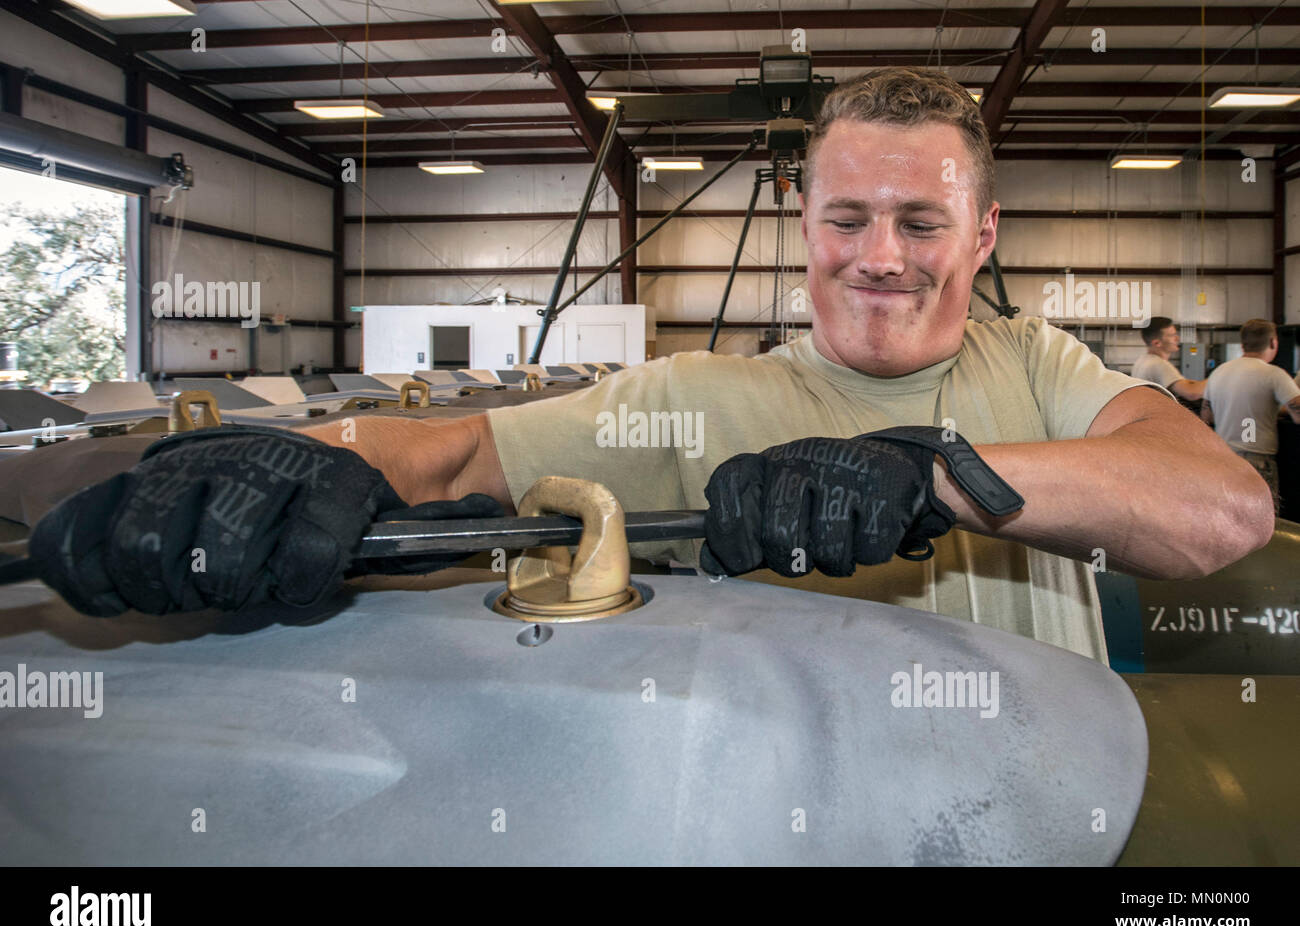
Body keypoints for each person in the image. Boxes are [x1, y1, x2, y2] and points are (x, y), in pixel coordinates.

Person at [28, 68, 1274, 666]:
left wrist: (926, 476)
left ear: (984, 232)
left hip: (1060, 811)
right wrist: (290, 459)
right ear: (805, 223)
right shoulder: (695, 399)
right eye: (846, 219)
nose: (879, 258)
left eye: (921, 222)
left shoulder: (1042, 367)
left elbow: (1221, 507)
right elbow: (456, 443)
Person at [1201, 319, 1300, 514]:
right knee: (1262, 521)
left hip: (1223, 458)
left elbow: (1207, 416)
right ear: (1273, 342)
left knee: (1229, 516)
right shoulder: (1273, 374)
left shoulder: (1219, 372)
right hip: (1257, 463)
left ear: (1242, 344)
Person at [1131, 316, 1207, 403]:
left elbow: (1183, 383)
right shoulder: (1158, 364)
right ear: (1157, 343)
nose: (1177, 339)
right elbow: (1192, 393)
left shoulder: (1143, 360)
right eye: (1172, 335)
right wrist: (1216, 377)